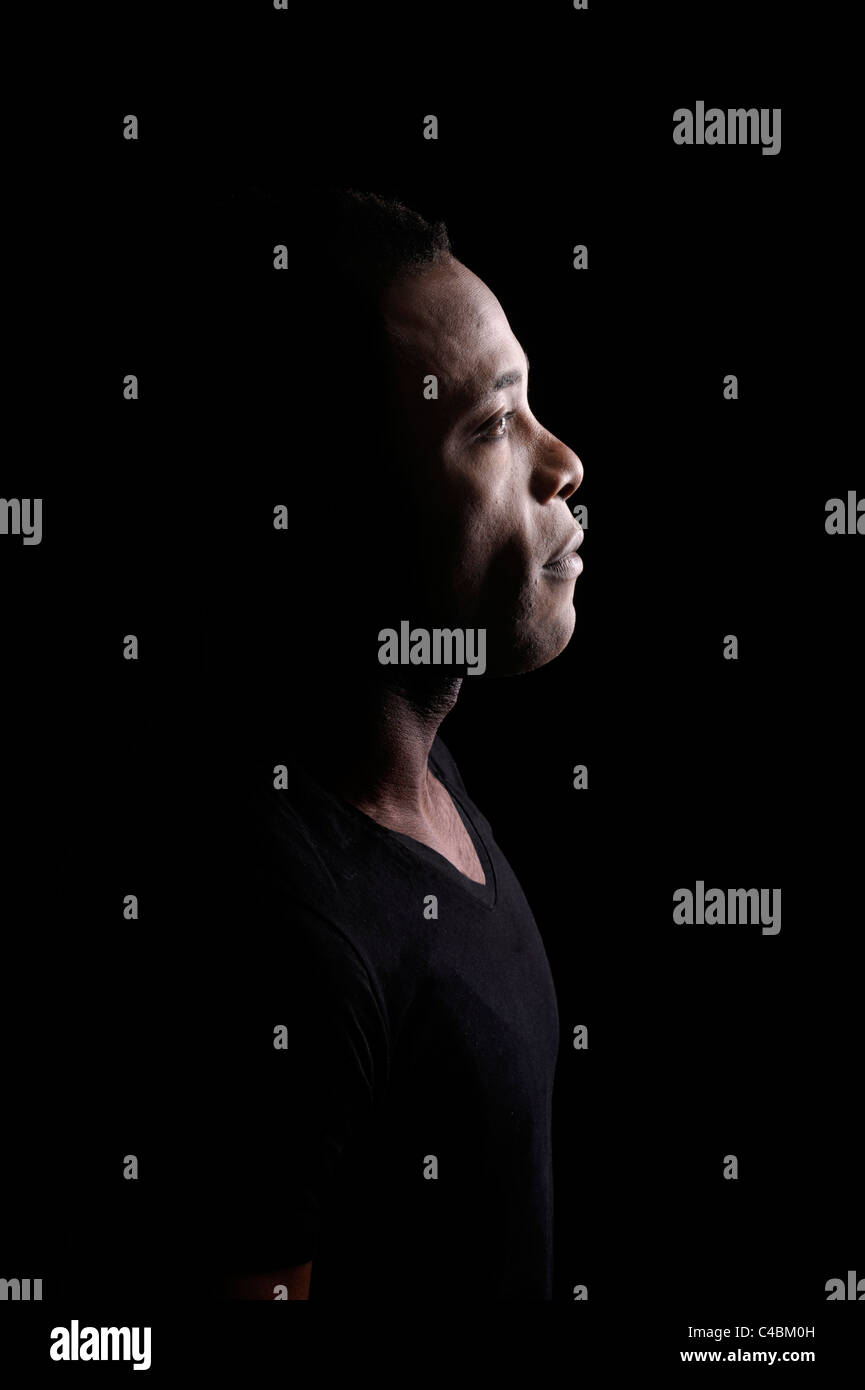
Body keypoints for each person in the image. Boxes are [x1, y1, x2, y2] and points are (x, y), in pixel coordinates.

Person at [209, 187, 584, 1301]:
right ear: (349, 514)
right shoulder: (296, 939)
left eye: (528, 407)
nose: (559, 461)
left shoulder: (428, 775)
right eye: (487, 427)